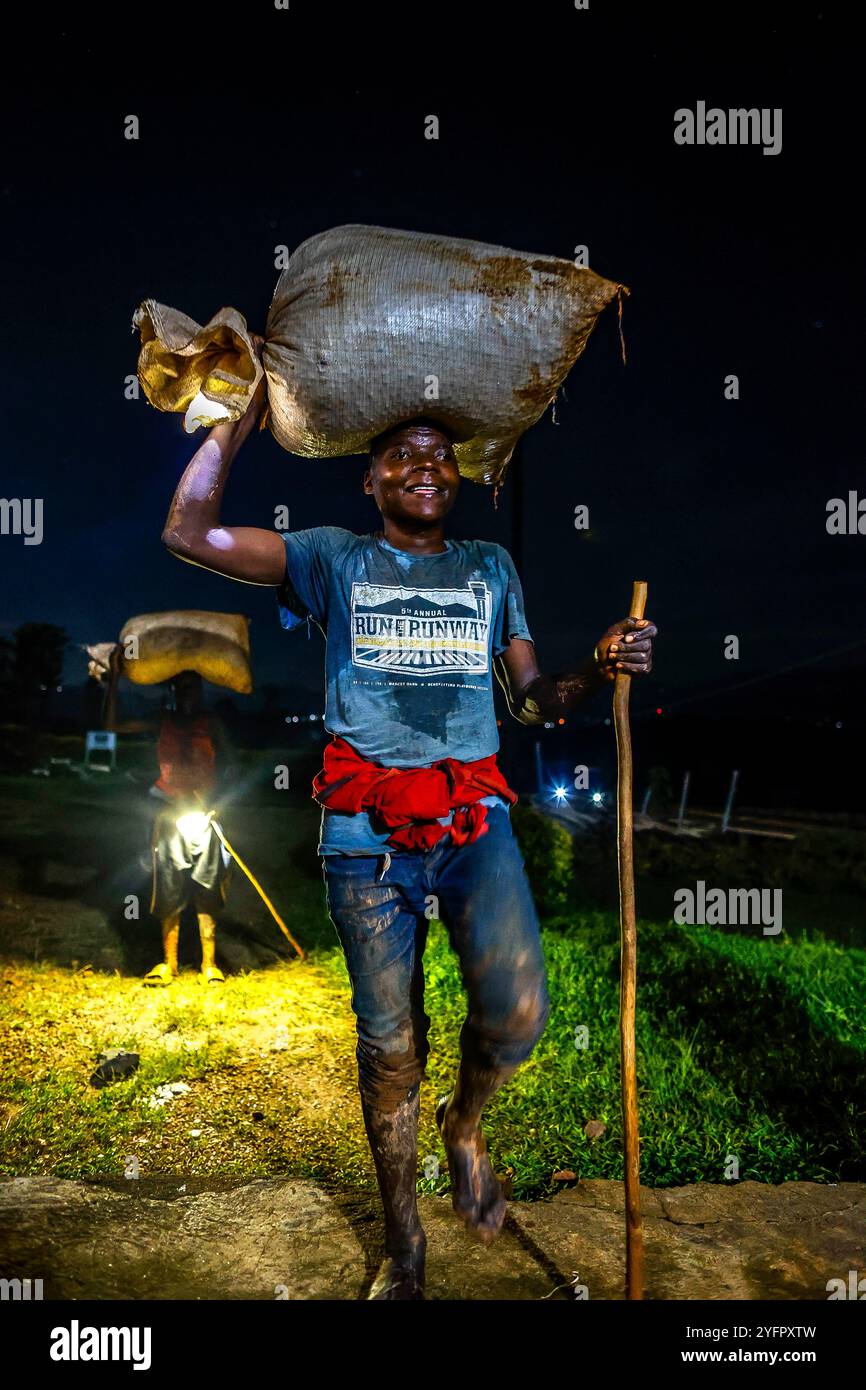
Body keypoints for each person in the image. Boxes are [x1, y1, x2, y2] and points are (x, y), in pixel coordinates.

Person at [159, 362, 657, 1298]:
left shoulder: (489, 569)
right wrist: (236, 420)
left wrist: (595, 667)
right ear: (370, 479)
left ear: (457, 476)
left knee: (517, 1013)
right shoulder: (331, 558)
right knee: (390, 1047)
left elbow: (533, 700)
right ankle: (405, 1247)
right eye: (401, 455)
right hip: (363, 837)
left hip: (474, 825)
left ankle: (462, 1127)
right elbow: (187, 531)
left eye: (439, 454)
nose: (425, 465)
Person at [144, 669, 233, 986]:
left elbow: (232, 763)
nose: (188, 695)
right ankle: (169, 963)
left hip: (205, 817)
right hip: (169, 816)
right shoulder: (162, 720)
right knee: (169, 885)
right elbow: (113, 724)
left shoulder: (211, 722)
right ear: (172, 691)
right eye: (181, 689)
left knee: (208, 886)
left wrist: (218, 801)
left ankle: (210, 965)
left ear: (201, 691)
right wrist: (112, 682)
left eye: (193, 688)